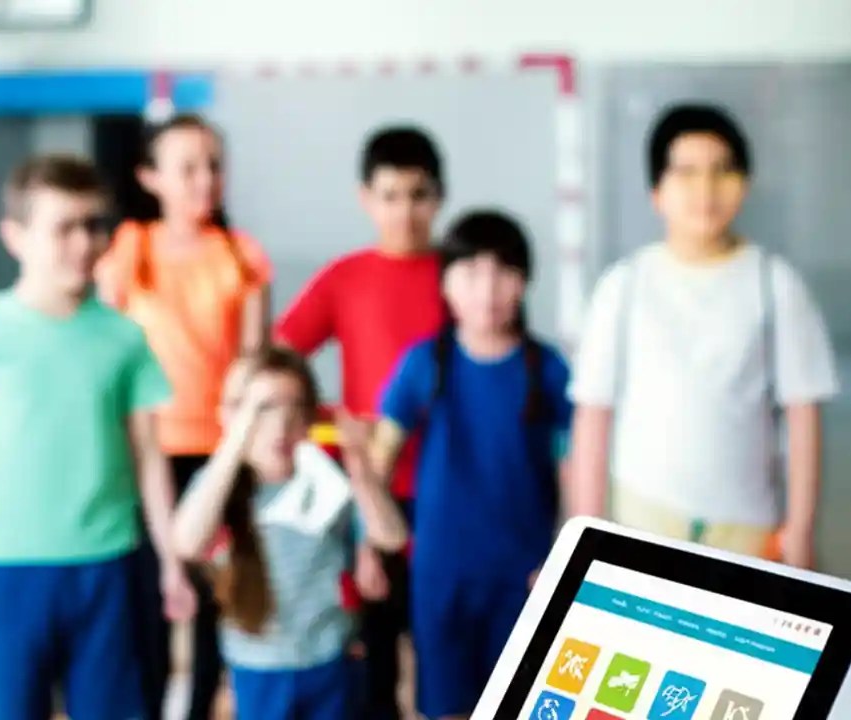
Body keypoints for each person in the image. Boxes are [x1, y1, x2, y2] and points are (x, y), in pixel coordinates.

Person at [0, 154, 194, 719]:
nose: (83, 243)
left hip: (107, 564)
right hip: (8, 563)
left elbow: (148, 459)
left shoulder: (123, 339)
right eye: (63, 227)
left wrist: (171, 559)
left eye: (94, 225)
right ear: (15, 237)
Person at [568, 104, 839, 568]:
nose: (706, 189)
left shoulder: (773, 283)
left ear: (745, 183)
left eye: (722, 171)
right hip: (643, 520)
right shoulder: (625, 284)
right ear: (657, 191)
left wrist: (801, 528)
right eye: (686, 172)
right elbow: (593, 417)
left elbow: (802, 414)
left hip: (748, 526)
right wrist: (584, 531)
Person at [95, 113, 272, 720]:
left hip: (220, 456)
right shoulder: (129, 249)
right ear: (151, 177)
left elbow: (253, 361)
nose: (205, 179)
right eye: (188, 167)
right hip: (144, 454)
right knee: (147, 596)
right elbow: (104, 352)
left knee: (212, 599)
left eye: (214, 165)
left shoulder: (241, 254)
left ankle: (198, 707)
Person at [371, 210, 573, 720]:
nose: (487, 289)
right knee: (446, 705)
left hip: (524, 574)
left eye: (503, 271)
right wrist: (366, 545)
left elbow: (574, 472)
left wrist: (565, 557)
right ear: (446, 284)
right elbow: (378, 460)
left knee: (519, 700)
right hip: (441, 573)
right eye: (470, 272)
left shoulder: (547, 370)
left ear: (524, 282)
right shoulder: (424, 364)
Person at [275, 126, 446, 719]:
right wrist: (330, 424)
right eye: (391, 195)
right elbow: (280, 360)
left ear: (439, 199)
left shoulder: (462, 277)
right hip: (368, 492)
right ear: (366, 199)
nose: (405, 210)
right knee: (372, 652)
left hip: (446, 494)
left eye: (419, 194)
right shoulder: (345, 277)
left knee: (441, 653)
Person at [172, 347, 408, 720]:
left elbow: (392, 537)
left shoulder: (327, 480)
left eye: (294, 408)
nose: (281, 427)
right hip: (257, 665)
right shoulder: (219, 485)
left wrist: (361, 467)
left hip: (329, 659)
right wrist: (238, 436)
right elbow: (186, 541)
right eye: (265, 409)